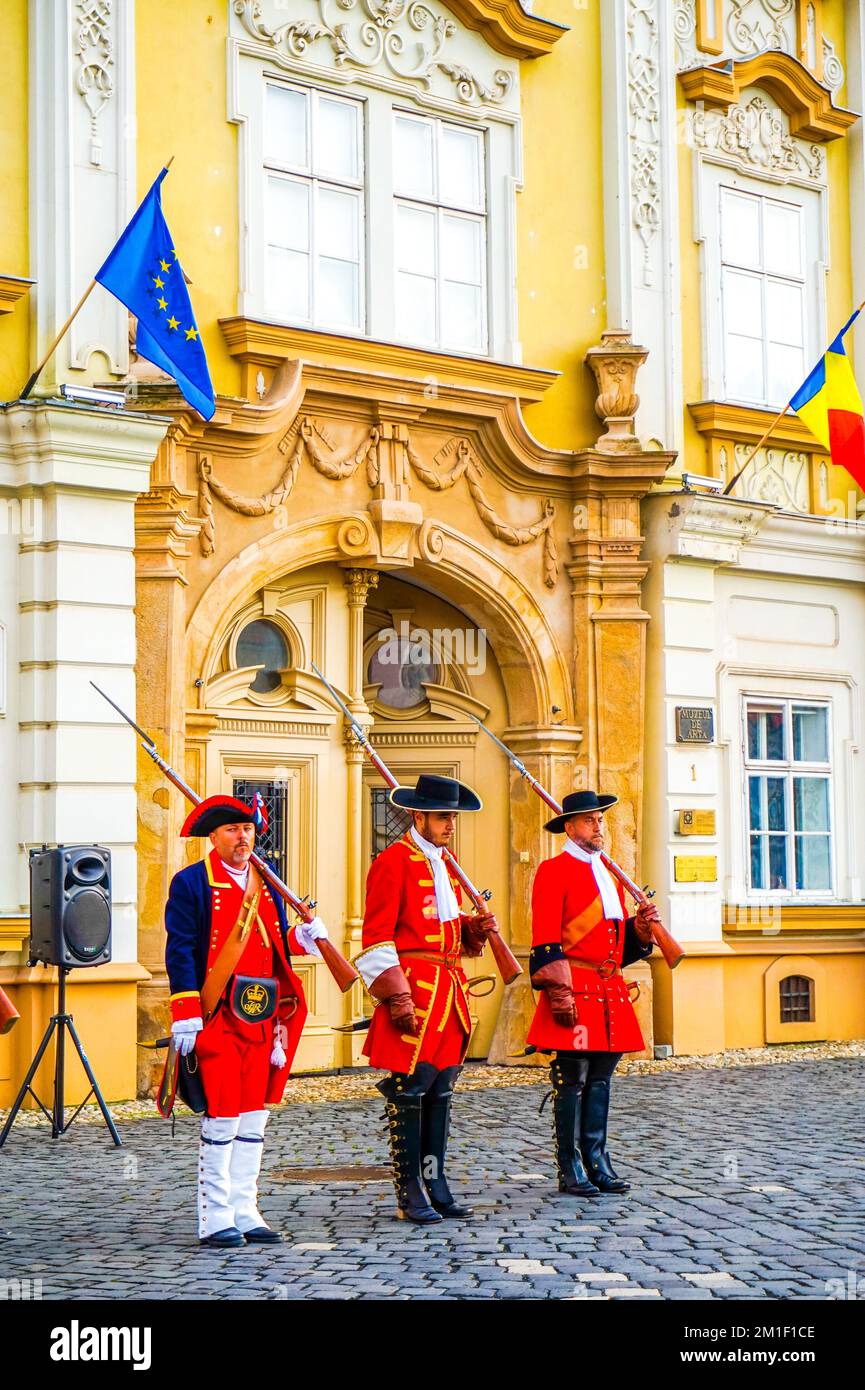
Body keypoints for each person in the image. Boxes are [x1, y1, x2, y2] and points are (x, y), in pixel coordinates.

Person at [164, 795, 330, 1247]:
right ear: (214, 837)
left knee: (254, 1118)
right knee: (222, 1117)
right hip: (218, 1017)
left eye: (249, 830)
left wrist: (306, 937)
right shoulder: (192, 883)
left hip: (262, 1019)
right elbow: (180, 949)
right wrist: (186, 1013)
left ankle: (245, 1208)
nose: (244, 837)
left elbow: (275, 944)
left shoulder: (267, 885)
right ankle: (215, 1217)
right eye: (234, 830)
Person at [356, 774, 497, 1225]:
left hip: (450, 993)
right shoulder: (392, 862)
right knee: (410, 1093)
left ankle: (436, 1184)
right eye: (442, 816)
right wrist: (397, 996)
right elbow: (376, 936)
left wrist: (472, 930)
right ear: (418, 816)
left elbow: (448, 927)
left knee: (441, 1093)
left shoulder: (446, 863)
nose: (450, 824)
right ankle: (409, 1192)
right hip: (415, 992)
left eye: (452, 817)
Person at [527, 790, 658, 1197]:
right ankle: (570, 1167)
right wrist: (559, 993)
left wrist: (639, 931)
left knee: (600, 1079)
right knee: (572, 1078)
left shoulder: (608, 874)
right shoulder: (554, 870)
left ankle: (597, 1161)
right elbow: (546, 938)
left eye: (600, 819)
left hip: (608, 987)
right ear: (569, 827)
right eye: (589, 820)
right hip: (575, 986)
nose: (599, 826)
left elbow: (618, 947)